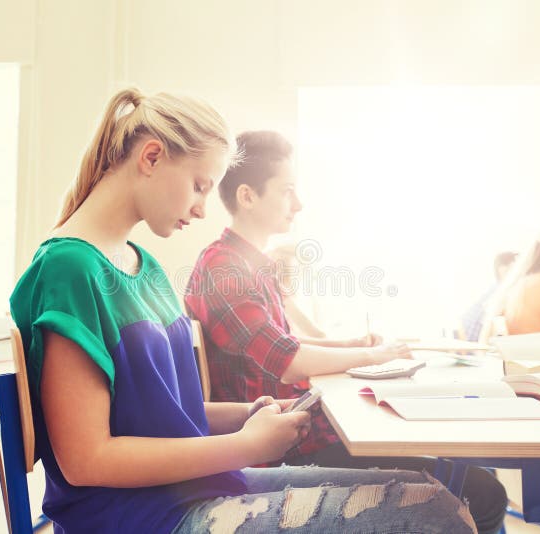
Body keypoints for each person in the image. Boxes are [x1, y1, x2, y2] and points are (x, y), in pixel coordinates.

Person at [9, 90, 476, 533]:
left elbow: (170, 415)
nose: (201, 208)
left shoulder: (143, 265)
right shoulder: (68, 269)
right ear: (150, 157)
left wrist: (246, 415)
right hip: (142, 518)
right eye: (199, 186)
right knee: (438, 516)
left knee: (431, 492)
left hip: (187, 493)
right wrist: (244, 446)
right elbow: (87, 458)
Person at [184, 130, 507, 534]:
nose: (298, 204)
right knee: (483, 492)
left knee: (466, 467)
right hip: (284, 448)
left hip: (300, 431)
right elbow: (287, 361)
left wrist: (350, 345)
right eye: (287, 191)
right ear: (248, 197)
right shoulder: (225, 268)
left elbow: (284, 342)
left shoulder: (249, 263)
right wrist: (372, 356)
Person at [460, 251, 517, 342]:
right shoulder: (500, 292)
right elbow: (488, 324)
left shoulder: (497, 287)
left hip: (466, 335)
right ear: (503, 270)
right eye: (515, 267)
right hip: (468, 339)